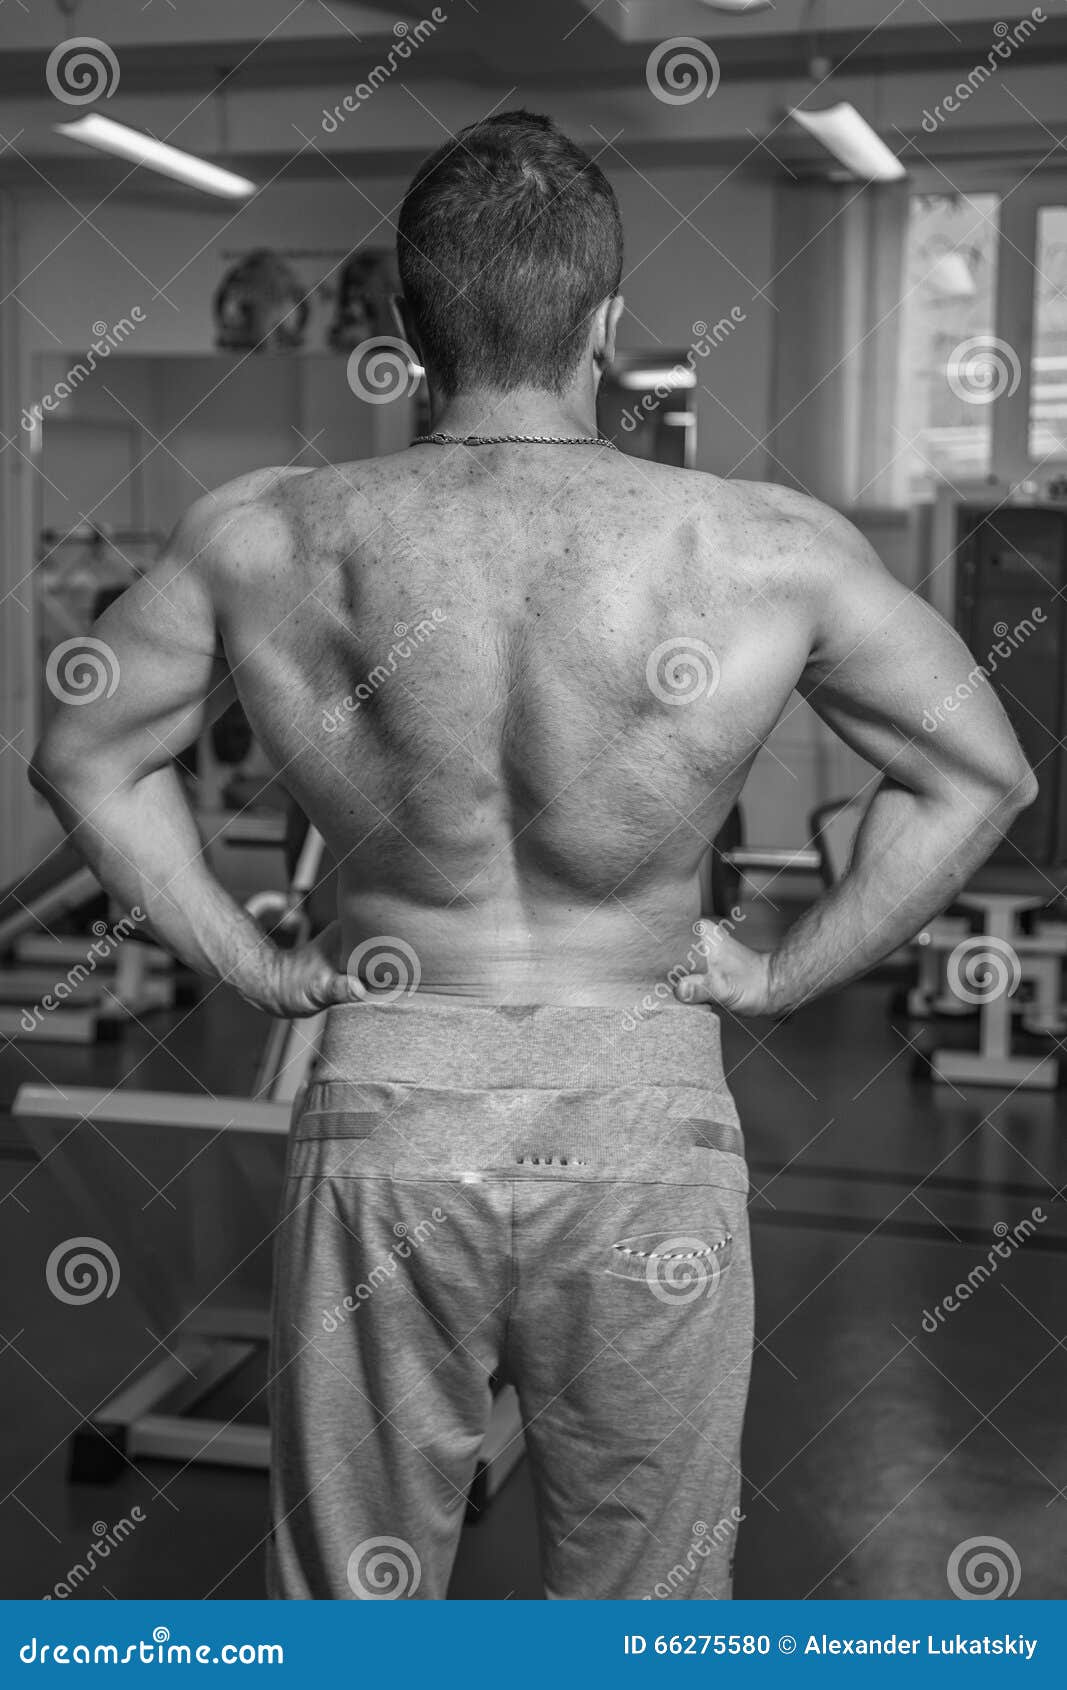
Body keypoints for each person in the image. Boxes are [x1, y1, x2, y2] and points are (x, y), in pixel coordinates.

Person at [30, 110, 1036, 1601]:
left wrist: (251, 957)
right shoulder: (761, 544)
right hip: (645, 1116)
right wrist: (778, 969)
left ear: (408, 322)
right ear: (609, 326)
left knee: (357, 1615)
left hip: (388, 1104)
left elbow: (84, 754)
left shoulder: (271, 537)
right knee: (643, 1610)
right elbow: (979, 769)